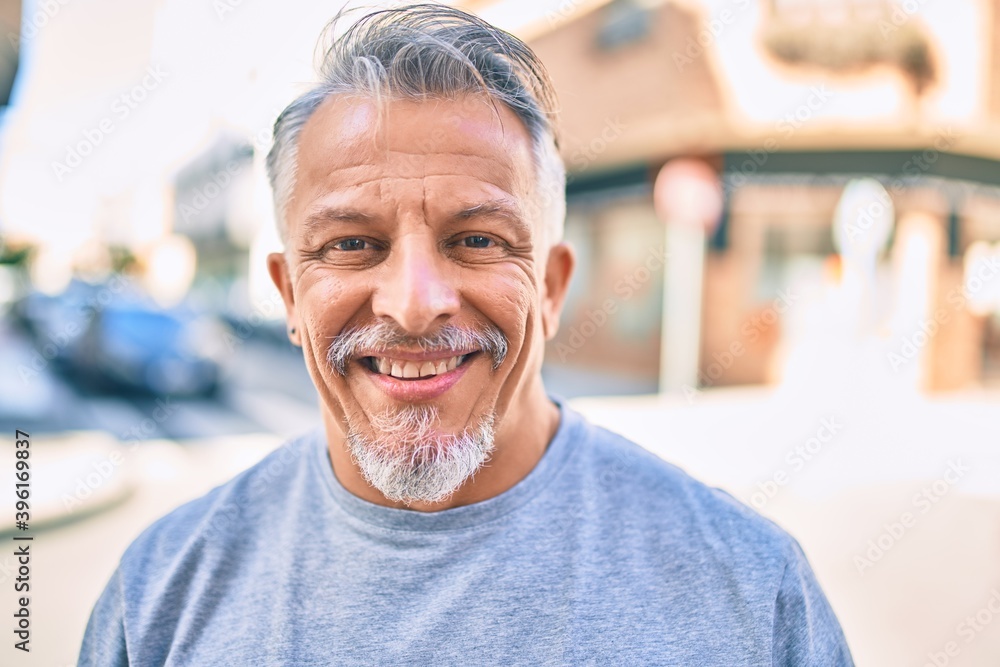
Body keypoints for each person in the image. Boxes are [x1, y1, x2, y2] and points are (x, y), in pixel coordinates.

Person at [80, 4, 854, 665]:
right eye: (352, 243)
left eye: (477, 239)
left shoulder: (752, 592)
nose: (415, 305)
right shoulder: (158, 596)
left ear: (549, 287)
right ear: (288, 292)